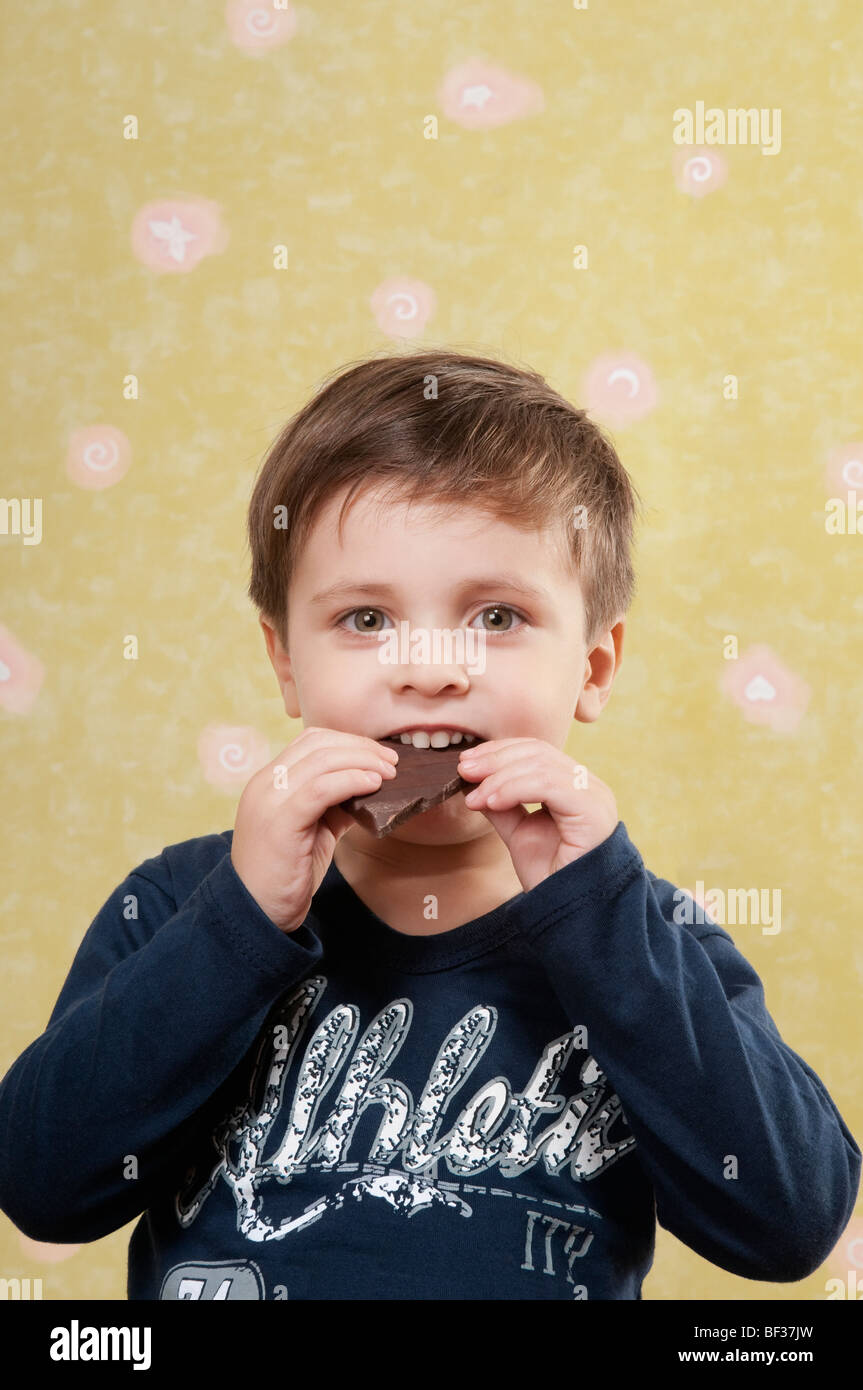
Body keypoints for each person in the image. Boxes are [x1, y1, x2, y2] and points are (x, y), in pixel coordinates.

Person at [0, 349, 859, 1300]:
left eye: (496, 615)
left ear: (594, 669)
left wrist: (604, 920)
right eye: (366, 620)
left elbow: (787, 1225)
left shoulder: (650, 938)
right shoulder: (180, 905)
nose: (430, 667)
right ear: (286, 663)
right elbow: (42, 1184)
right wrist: (238, 927)